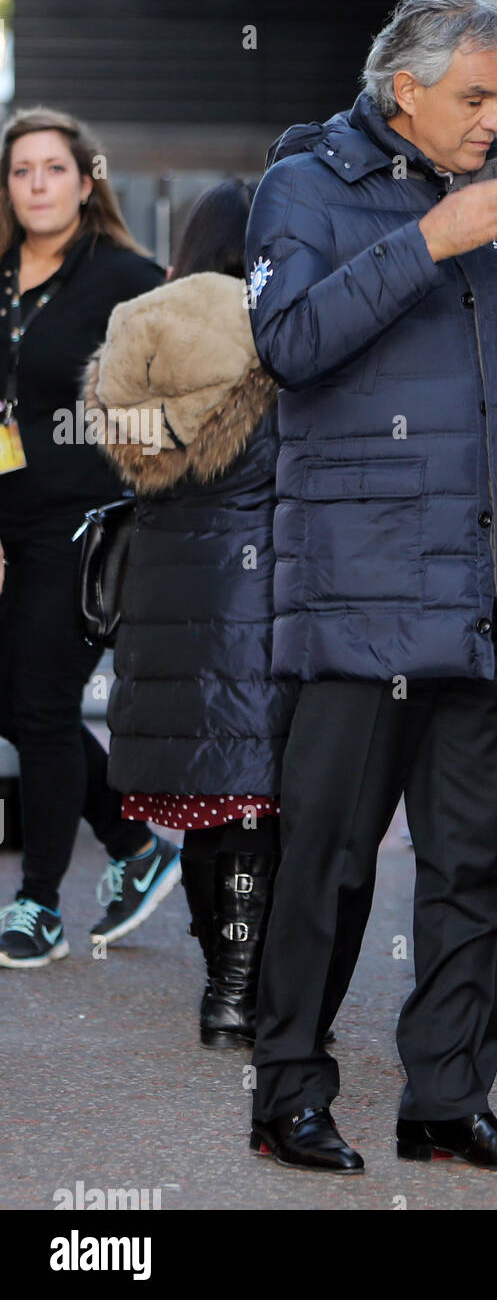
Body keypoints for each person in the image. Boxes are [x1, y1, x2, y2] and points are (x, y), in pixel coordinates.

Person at [244, 0, 497, 1173]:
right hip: (358, 600)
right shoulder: (305, 185)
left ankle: (446, 1103)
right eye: (473, 96)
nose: (493, 119)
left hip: (488, 599)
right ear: (406, 88)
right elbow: (289, 345)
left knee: (481, 872)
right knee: (328, 869)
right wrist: (425, 241)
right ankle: (289, 1092)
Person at [83, 180, 298, 1047]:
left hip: (166, 599)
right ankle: (243, 991)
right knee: (252, 807)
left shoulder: (141, 337)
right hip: (256, 605)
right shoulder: (280, 335)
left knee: (209, 810)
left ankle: (222, 987)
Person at [0, 108, 176, 969]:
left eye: (53, 169)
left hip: (79, 522)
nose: (37, 184)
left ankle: (38, 903)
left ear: (84, 180)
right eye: (22, 171)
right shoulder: (1, 275)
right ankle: (135, 846)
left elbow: (192, 361)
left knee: (38, 705)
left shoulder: (123, 275)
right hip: (4, 521)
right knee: (14, 701)